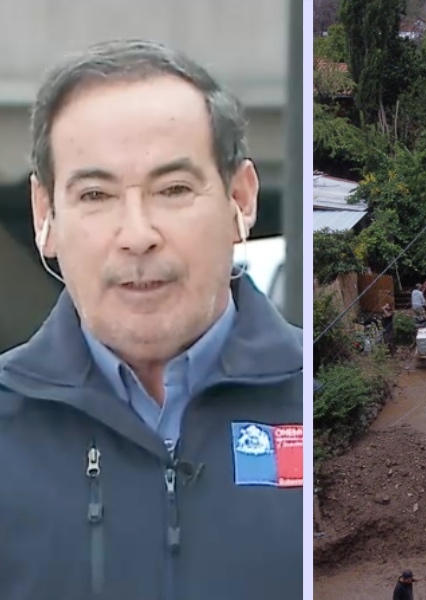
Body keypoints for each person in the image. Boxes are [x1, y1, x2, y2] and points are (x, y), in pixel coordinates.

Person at [0, 39, 302, 599]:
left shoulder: (325, 400)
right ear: (47, 216)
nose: (137, 234)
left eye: (173, 189)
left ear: (241, 198)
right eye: (96, 194)